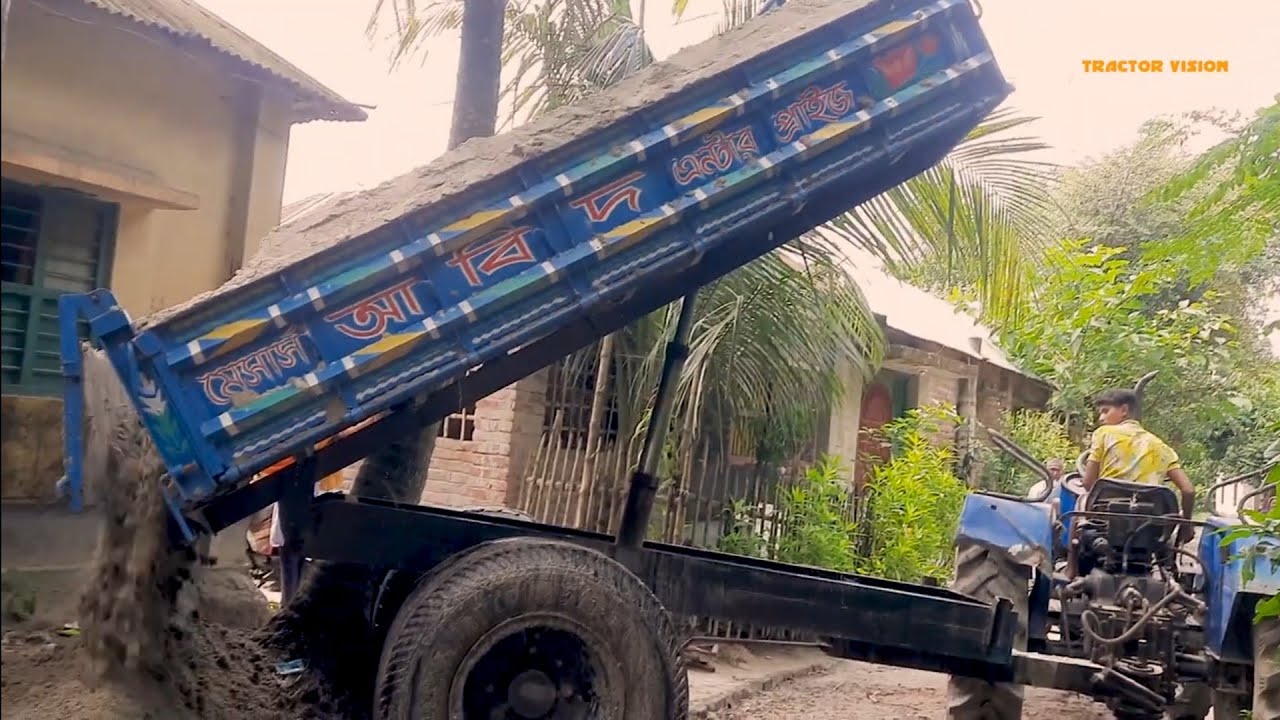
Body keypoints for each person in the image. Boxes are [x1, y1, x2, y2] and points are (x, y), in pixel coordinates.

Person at [1076, 388, 1196, 557]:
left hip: (1106, 519)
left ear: (1124, 410)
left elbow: (1089, 483)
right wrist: (1187, 524)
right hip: (1151, 523)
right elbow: (1188, 490)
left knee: (1080, 502)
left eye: (1105, 411)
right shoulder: (1161, 446)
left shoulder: (1104, 434)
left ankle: (1071, 568)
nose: (1101, 418)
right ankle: (1167, 567)